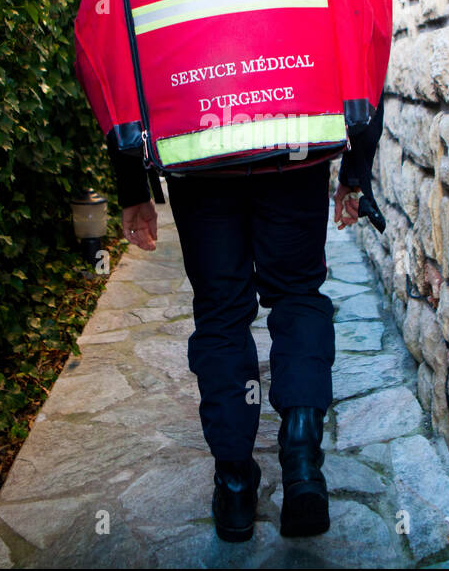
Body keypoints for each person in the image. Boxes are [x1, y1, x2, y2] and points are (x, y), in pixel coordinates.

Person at [109, 106, 382, 542]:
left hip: (199, 151)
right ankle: (302, 459)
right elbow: (364, 44)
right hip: (293, 140)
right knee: (296, 296)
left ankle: (235, 485)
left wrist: (131, 182)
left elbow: (117, 56)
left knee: (221, 312)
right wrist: (356, 165)